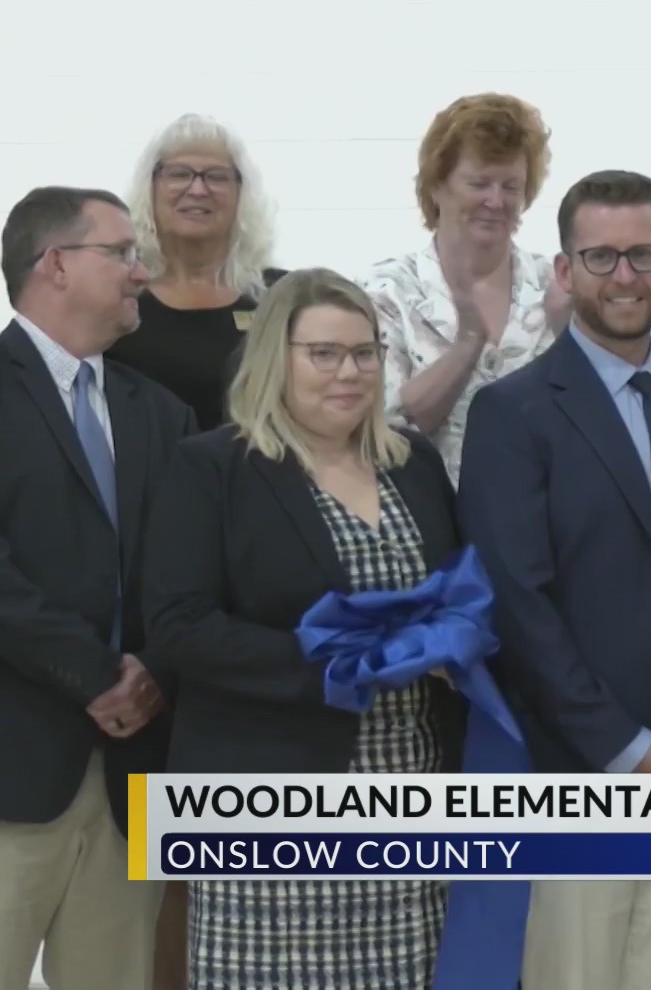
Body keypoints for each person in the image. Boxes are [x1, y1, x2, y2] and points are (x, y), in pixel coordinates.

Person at [143, 268, 465, 990]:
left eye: (365, 352)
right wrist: (347, 660)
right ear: (274, 358)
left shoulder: (413, 464)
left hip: (410, 802)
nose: (350, 372)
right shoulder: (213, 468)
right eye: (324, 353)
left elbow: (455, 596)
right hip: (270, 812)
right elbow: (179, 626)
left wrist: (455, 641)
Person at [458, 170, 651, 990]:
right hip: (578, 771)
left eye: (642, 254)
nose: (624, 276)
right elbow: (516, 601)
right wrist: (624, 746)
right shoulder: (513, 413)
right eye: (601, 256)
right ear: (565, 272)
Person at [0, 186, 195, 990]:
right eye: (120, 253)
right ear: (54, 264)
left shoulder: (165, 416)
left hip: (131, 777)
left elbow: (189, 573)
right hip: (15, 763)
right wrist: (95, 676)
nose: (139, 273)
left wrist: (153, 668)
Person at [360, 92, 570, 486]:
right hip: (427, 525)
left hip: (541, 524)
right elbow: (383, 429)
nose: (496, 200)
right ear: (437, 186)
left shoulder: (556, 287)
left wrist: (570, 338)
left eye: (511, 186)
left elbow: (589, 421)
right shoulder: (384, 292)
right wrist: (467, 343)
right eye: (479, 183)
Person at [107, 113, 284, 431]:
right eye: (179, 174)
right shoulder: (115, 294)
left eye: (216, 176)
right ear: (150, 187)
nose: (198, 189)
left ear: (241, 192)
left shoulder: (282, 297)